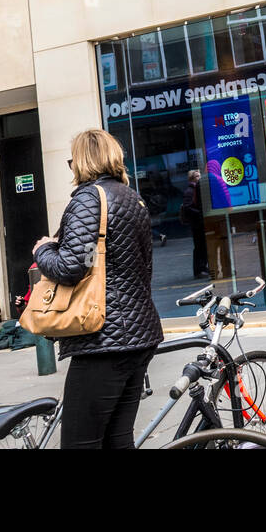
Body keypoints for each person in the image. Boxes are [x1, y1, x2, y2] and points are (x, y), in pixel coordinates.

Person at [33, 129, 163, 449]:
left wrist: (43, 250)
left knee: (80, 442)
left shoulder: (89, 200)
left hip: (103, 340)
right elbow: (142, 268)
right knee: (117, 440)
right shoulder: (132, 199)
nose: (72, 169)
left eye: (72, 162)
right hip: (138, 335)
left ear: (83, 162)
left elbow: (71, 266)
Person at [180, 169, 209, 278]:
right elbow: (187, 207)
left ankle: (202, 267)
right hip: (196, 223)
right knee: (199, 247)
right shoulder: (190, 191)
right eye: (197, 176)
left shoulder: (196, 189)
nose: (199, 178)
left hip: (198, 222)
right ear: (192, 178)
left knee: (202, 246)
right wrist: (200, 213)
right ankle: (199, 270)